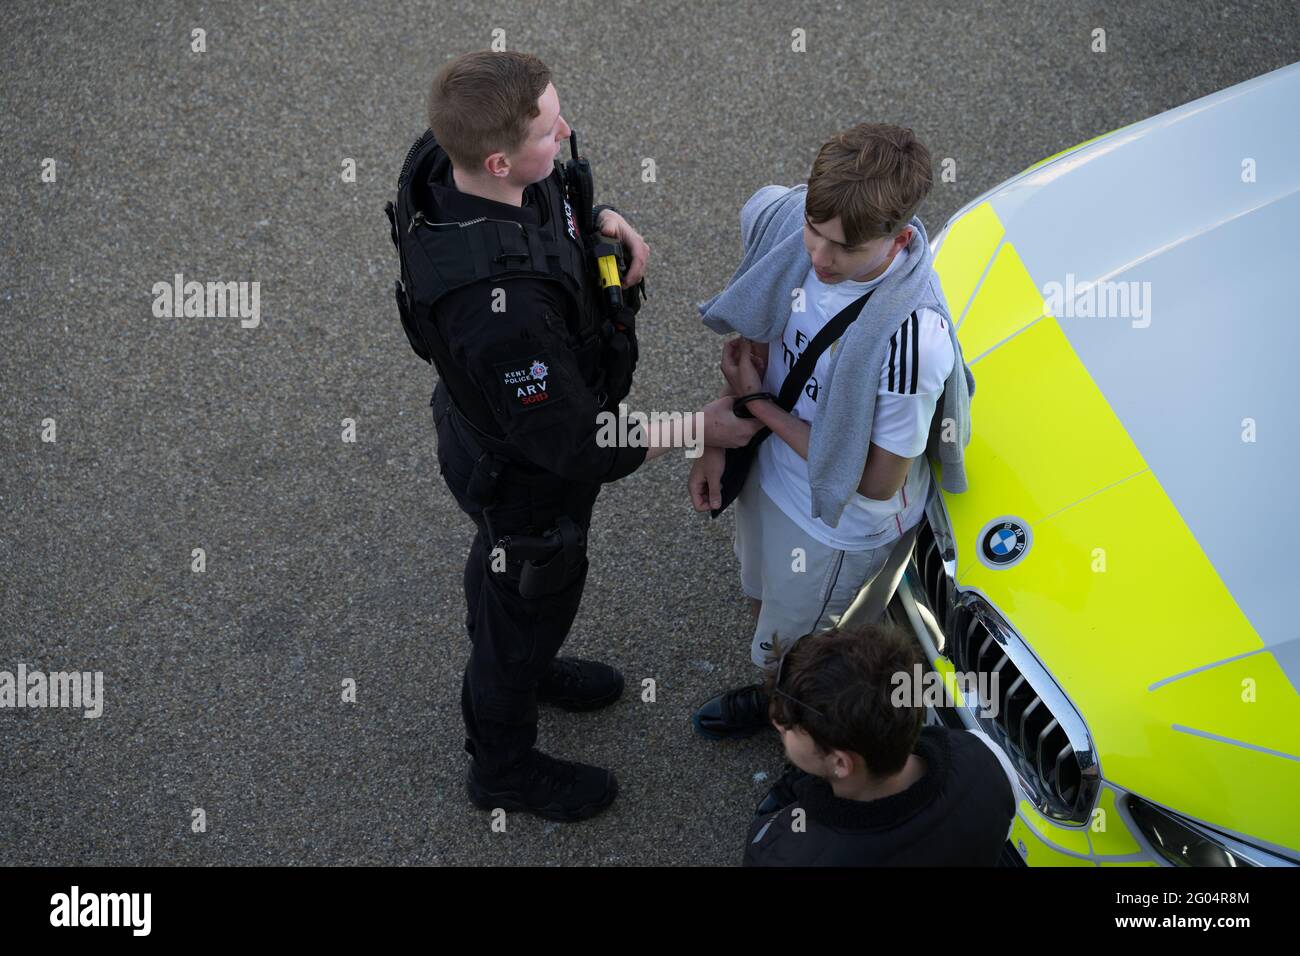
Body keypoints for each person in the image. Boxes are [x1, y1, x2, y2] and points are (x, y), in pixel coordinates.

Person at [390, 51, 760, 823]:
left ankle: (528, 658)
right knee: (522, 602)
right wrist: (701, 427)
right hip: (527, 471)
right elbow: (581, 443)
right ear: (498, 159)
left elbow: (546, 209)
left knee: (506, 586)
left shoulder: (447, 160)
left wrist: (597, 227)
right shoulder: (506, 316)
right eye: (549, 132)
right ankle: (503, 768)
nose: (564, 133)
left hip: (489, 435)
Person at [688, 123, 975, 739]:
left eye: (843, 250)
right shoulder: (783, 220)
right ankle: (775, 690)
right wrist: (719, 435)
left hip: (835, 522)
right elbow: (757, 336)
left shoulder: (912, 342)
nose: (818, 259)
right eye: (814, 234)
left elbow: (874, 483)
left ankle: (789, 718)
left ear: (898, 240)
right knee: (764, 600)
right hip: (775, 476)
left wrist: (756, 408)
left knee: (808, 650)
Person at [743, 624, 1016, 866]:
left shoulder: (785, 855)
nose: (776, 722)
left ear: (841, 763)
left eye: (789, 724)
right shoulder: (987, 760)